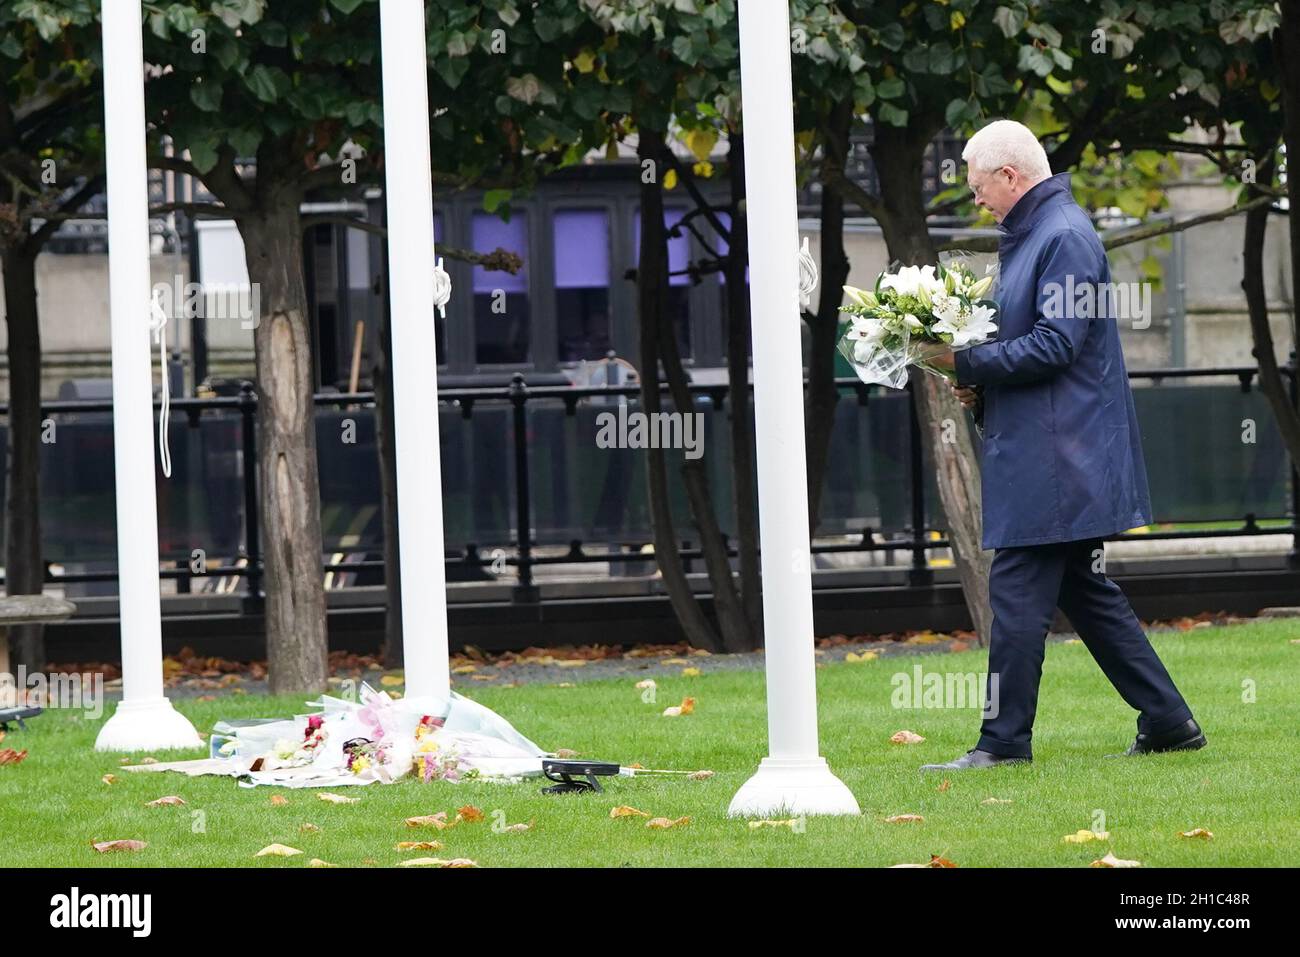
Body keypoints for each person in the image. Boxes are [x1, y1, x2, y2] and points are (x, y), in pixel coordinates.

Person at [921, 119, 1205, 770]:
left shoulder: (1063, 236)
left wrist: (964, 365)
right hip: (1055, 451)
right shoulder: (1045, 233)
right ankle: (1168, 721)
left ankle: (1001, 743)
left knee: (1018, 597)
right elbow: (1048, 347)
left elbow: (1056, 344)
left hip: (1055, 458)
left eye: (979, 188)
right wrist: (980, 385)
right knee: (1086, 592)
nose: (977, 200)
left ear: (1011, 176)